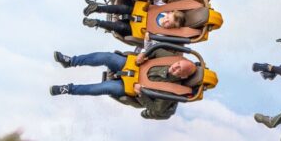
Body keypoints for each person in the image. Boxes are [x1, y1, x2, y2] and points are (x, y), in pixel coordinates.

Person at [48, 48, 201, 100]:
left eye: (180, 70)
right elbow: (152, 48)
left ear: (182, 77)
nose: (176, 67)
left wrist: (143, 94)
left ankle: (67, 89)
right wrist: (143, 54)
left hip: (130, 86)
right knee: (107, 57)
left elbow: (157, 111)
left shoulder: (173, 91)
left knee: (103, 88)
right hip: (133, 65)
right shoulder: (169, 57)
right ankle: (71, 61)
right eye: (178, 64)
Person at [81, 3, 195, 39]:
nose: (165, 21)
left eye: (168, 24)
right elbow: (158, 1)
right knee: (123, 9)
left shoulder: (162, 33)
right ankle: (97, 8)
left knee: (120, 27)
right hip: (136, 12)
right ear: (169, 13)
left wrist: (147, 38)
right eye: (167, 19)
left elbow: (153, 41)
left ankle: (96, 23)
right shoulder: (163, 11)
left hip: (135, 29)